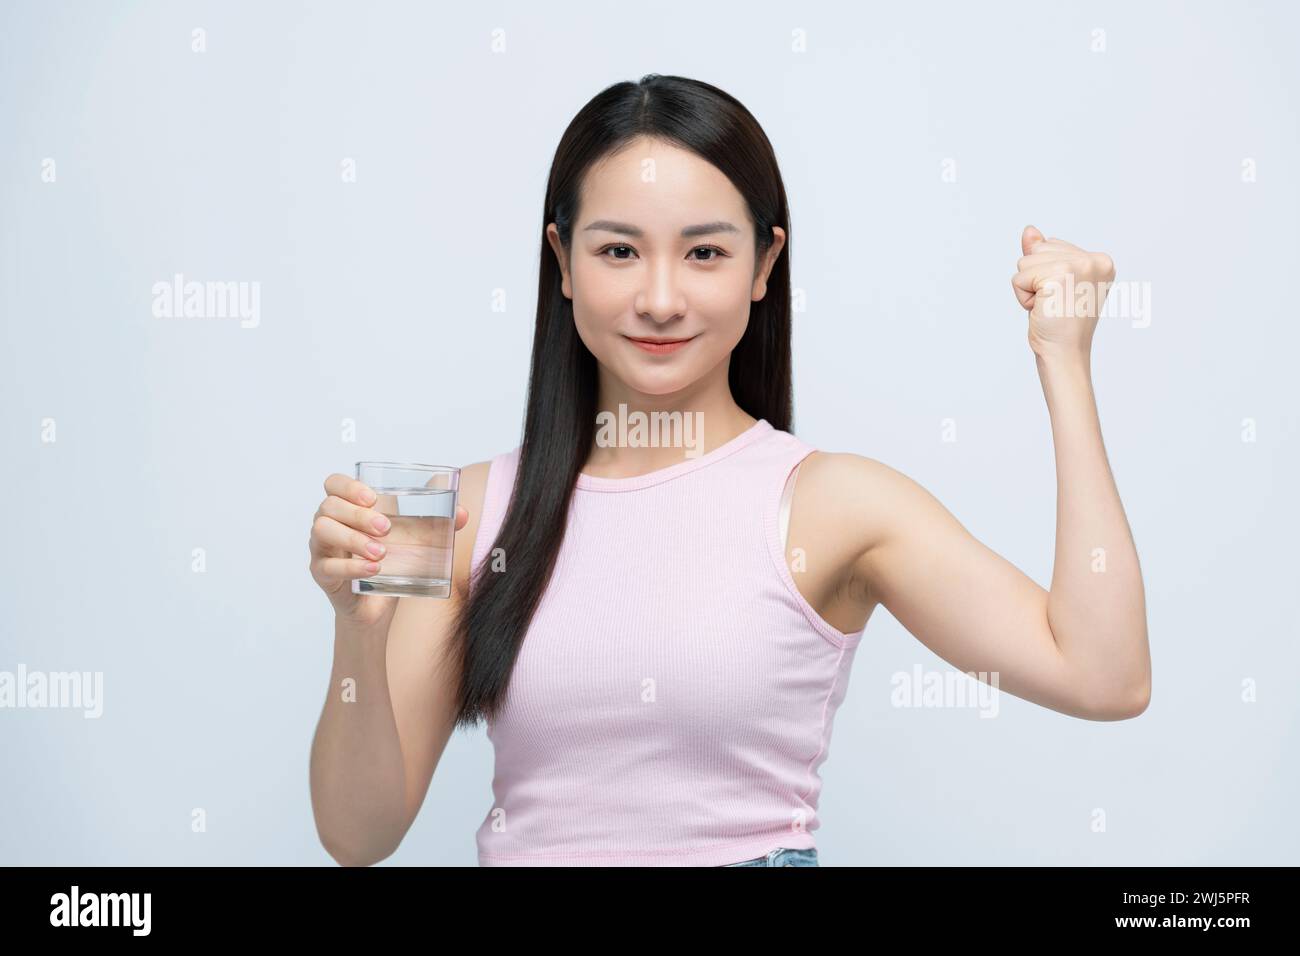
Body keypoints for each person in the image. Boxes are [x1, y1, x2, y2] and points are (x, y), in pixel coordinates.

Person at [307, 74, 1150, 868]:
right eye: (619, 252)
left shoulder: (832, 505)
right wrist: (358, 629)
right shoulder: (466, 511)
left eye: (705, 253)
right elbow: (358, 834)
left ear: (764, 264)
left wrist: (1065, 364)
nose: (662, 298)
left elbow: (1104, 676)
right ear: (562, 262)